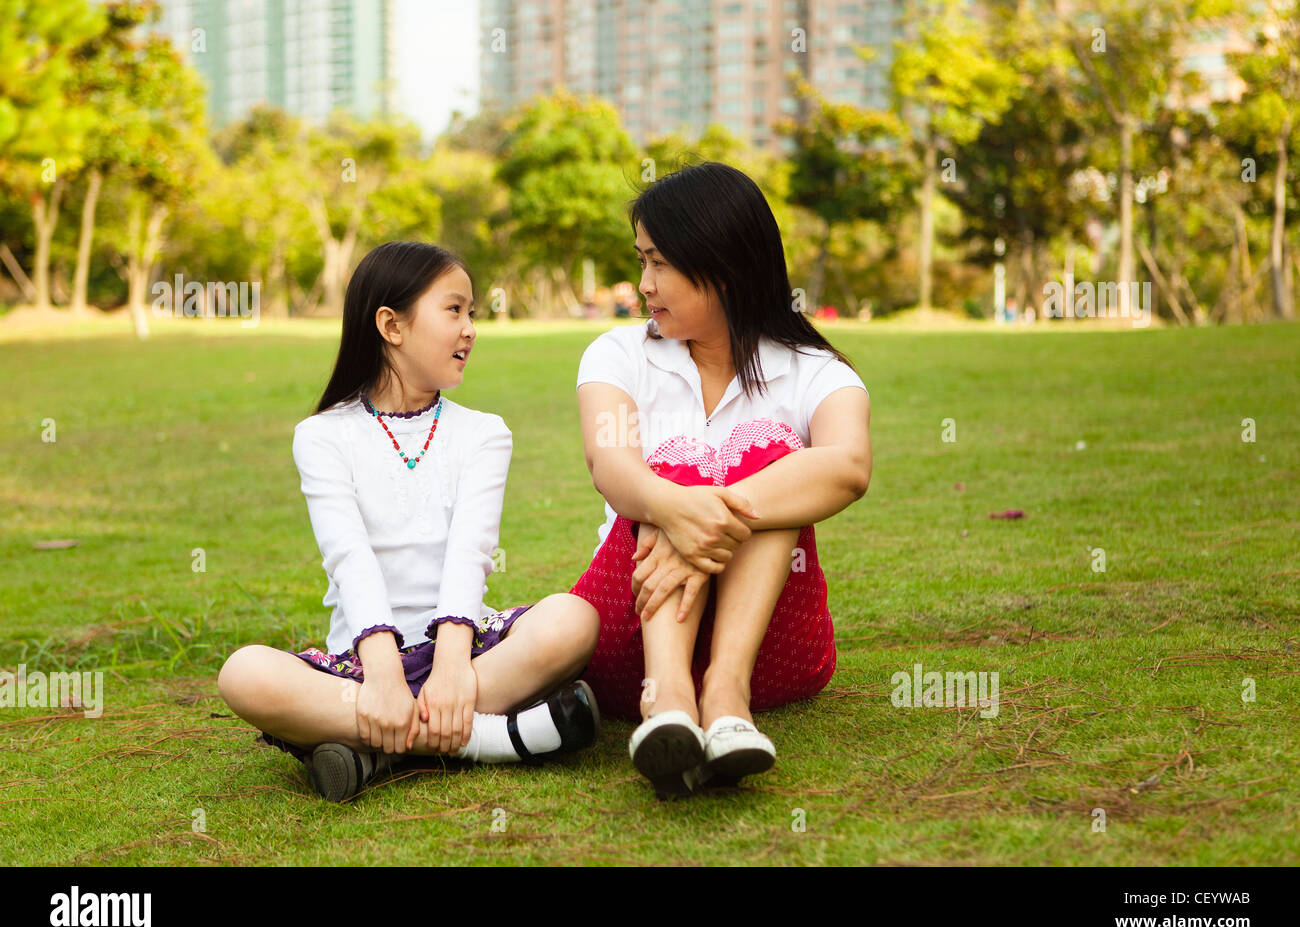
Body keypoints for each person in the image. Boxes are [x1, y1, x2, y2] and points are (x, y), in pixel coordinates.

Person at [218, 241, 601, 802]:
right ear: (392, 326)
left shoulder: (484, 432)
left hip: (465, 650)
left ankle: (374, 749)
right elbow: (350, 558)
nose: (470, 328)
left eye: (472, 312)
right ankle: (491, 737)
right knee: (243, 674)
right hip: (365, 667)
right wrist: (383, 675)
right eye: (454, 310)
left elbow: (469, 554)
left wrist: (450, 667)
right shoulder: (323, 436)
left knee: (573, 619)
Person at [568, 163, 872, 799]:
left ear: (724, 263)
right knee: (676, 478)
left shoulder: (813, 369)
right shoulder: (618, 354)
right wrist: (677, 506)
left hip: (771, 651)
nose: (644, 284)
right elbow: (613, 467)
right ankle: (671, 693)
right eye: (641, 261)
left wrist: (704, 512)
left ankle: (725, 696)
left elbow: (848, 465)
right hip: (633, 623)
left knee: (770, 471)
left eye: (660, 263)